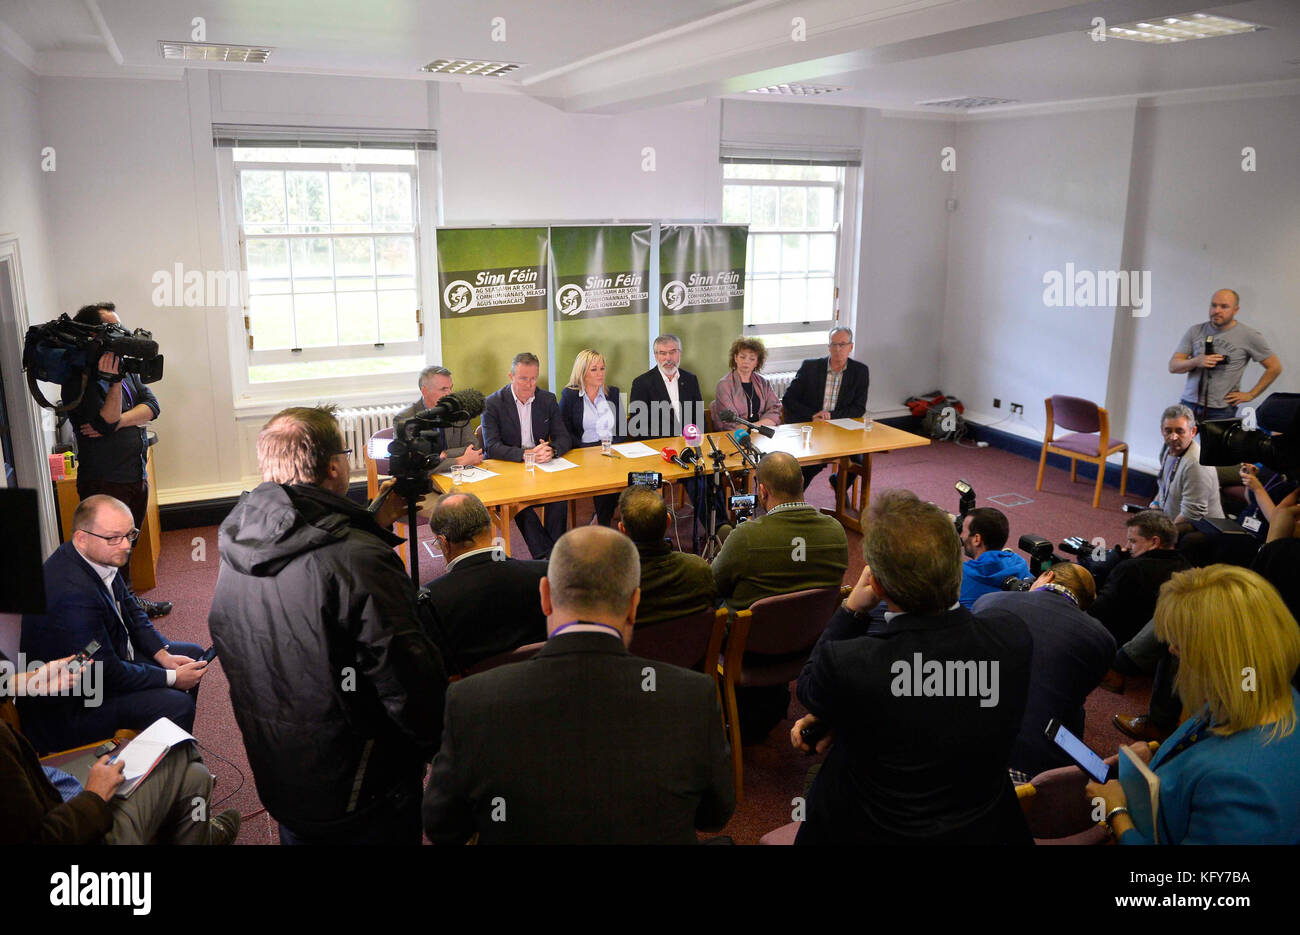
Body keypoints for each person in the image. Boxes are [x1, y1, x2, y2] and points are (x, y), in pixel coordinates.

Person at [208, 406, 447, 845]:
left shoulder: (239, 543)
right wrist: (441, 752)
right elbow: (409, 681)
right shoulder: (359, 560)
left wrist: (371, 524)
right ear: (336, 465)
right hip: (363, 789)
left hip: (283, 775)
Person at [422, 526, 735, 844]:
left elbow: (443, 827)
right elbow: (714, 816)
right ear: (633, 604)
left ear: (544, 596)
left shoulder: (471, 702)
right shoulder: (693, 696)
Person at [791, 489, 1034, 844]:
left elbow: (810, 688)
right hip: (986, 827)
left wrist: (851, 611)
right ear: (957, 563)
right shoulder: (1014, 637)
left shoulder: (849, 664)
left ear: (875, 582)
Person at [1086, 565, 1300, 844]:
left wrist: (1117, 812)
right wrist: (1155, 760)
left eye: (1179, 645)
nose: (1172, 650)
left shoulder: (1241, 784)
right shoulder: (1261, 696)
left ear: (1218, 658)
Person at [18, 495, 208, 754]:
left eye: (130, 535)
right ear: (81, 538)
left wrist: (162, 655)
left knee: (193, 655)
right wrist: (172, 678)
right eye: (114, 538)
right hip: (75, 706)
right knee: (177, 703)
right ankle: (171, 778)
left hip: (104, 665)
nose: (125, 545)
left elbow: (130, 607)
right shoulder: (71, 595)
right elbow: (106, 671)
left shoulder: (97, 555)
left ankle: (180, 760)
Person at [1, 653, 240, 845]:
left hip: (49, 790)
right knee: (180, 750)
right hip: (76, 826)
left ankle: (199, 833)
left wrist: (24, 681)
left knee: (196, 778)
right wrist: (94, 796)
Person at [68, 302, 170, 618]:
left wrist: (118, 423)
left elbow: (152, 405)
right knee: (108, 553)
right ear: (94, 336)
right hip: (104, 481)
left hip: (133, 473)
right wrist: (113, 386)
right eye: (114, 329)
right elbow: (107, 414)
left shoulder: (125, 369)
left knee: (125, 547)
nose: (123, 335)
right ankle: (115, 614)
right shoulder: (79, 378)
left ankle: (127, 607)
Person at [974, 563, 1115, 781]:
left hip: (969, 748)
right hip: (1039, 772)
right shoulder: (1102, 639)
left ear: (1047, 576)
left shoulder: (988, 602)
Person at [420, 492, 548, 673]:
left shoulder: (429, 601)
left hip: (470, 696)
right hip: (541, 683)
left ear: (443, 542)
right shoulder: (545, 575)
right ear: (489, 526)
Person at [711, 451, 849, 611]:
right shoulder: (836, 531)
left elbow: (712, 586)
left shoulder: (745, 537)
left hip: (748, 634)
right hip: (814, 630)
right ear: (802, 482)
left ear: (762, 491)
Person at [481, 352, 573, 559]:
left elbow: (564, 438)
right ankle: (548, 557)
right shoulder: (492, 403)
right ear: (511, 376)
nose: (529, 384)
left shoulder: (547, 399)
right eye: (523, 378)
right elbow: (492, 447)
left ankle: (552, 556)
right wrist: (526, 454)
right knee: (521, 505)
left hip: (542, 467)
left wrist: (552, 449)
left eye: (533, 378)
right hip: (509, 467)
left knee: (559, 496)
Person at [1169, 289, 1282, 422]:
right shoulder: (1195, 331)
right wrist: (1196, 361)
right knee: (1178, 442)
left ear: (1236, 310)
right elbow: (1173, 366)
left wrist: (1251, 395)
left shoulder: (1249, 335)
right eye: (1214, 305)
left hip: (1221, 410)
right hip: (1188, 404)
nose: (1217, 310)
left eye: (1224, 306)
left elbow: (1274, 367)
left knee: (1214, 444)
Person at [781, 326, 869, 489]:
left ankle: (838, 486)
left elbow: (858, 408)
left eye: (842, 344)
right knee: (810, 465)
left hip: (840, 429)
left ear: (851, 346)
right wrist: (813, 415)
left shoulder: (860, 371)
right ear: (828, 347)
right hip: (811, 427)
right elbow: (788, 399)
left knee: (859, 461)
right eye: (833, 344)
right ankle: (793, 500)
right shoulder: (810, 367)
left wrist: (831, 416)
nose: (837, 349)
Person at [616, 484, 716, 628]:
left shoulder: (613, 583)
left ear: (622, 529)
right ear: (669, 521)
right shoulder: (699, 570)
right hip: (689, 649)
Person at [558, 349, 623, 526]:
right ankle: (602, 523)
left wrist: (613, 448)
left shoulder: (613, 393)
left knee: (625, 475)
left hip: (612, 451)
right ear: (582, 372)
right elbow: (563, 431)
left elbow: (621, 430)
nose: (600, 373)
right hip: (583, 452)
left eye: (602, 368)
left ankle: (601, 520)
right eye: (594, 369)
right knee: (605, 478)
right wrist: (588, 451)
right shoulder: (570, 395)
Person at [394, 365, 484, 473]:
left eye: (451, 388)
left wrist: (445, 454)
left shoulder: (458, 410)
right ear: (424, 391)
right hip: (425, 484)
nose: (450, 393)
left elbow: (474, 448)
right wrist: (459, 461)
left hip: (459, 476)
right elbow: (415, 466)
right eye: (443, 389)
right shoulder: (406, 418)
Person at [627, 334, 705, 440]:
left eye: (672, 352)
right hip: (659, 447)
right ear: (655, 356)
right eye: (663, 353)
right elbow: (638, 427)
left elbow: (699, 418)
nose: (668, 358)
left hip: (690, 445)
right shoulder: (641, 383)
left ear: (680, 353)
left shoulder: (690, 379)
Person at [957, 507, 1030, 609]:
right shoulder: (1020, 564)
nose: (961, 536)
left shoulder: (960, 574)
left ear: (976, 539)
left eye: (964, 531)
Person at [710, 337, 781, 432]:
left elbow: (775, 410)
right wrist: (756, 427)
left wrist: (754, 426)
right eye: (742, 357)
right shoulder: (724, 385)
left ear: (757, 362)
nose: (746, 361)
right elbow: (730, 422)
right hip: (736, 436)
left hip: (761, 433)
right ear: (735, 358)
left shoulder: (763, 382)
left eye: (752, 359)